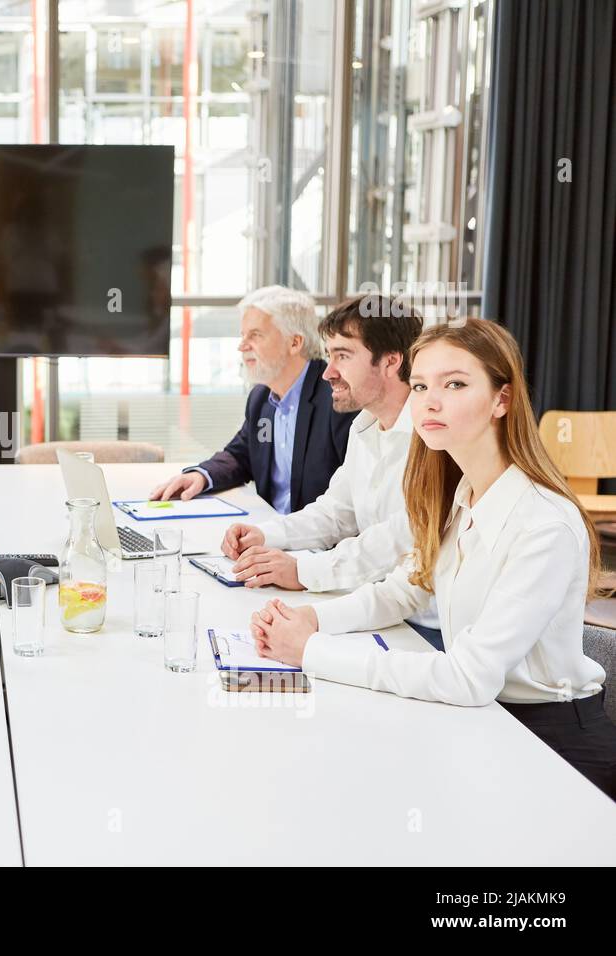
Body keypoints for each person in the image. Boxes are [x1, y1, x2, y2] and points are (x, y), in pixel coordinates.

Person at [251, 318, 616, 798]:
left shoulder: (543, 524)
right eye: (421, 386)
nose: (430, 401)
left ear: (502, 399)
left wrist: (312, 651)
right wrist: (309, 620)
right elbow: (405, 588)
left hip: (551, 747)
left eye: (456, 384)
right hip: (486, 721)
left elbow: (468, 677)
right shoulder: (458, 492)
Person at [219, 295, 443, 647]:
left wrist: (301, 571)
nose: (328, 372)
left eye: (342, 355)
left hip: (427, 628)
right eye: (329, 355)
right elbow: (337, 512)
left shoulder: (432, 438)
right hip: (380, 609)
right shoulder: (365, 426)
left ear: (390, 361)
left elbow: (396, 543)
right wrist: (265, 535)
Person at [149, 286, 354, 514]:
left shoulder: (337, 398)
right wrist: (201, 476)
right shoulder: (261, 398)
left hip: (314, 541)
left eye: (255, 335)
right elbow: (240, 455)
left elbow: (350, 501)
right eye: (242, 335)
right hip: (269, 531)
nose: (242, 345)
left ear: (295, 343)